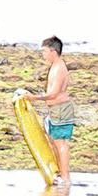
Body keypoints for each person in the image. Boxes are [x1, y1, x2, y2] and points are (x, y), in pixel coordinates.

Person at [24, 35, 74, 184]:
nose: (43, 54)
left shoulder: (59, 68)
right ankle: (60, 173)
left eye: (45, 51)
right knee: (53, 141)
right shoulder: (54, 66)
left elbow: (53, 94)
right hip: (53, 110)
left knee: (60, 143)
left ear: (54, 52)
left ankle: (66, 177)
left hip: (61, 109)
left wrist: (33, 97)